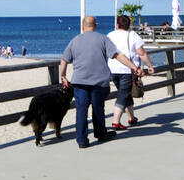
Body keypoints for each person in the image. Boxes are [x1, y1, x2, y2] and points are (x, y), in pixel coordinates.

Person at [60, 16, 141, 149]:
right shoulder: (103, 39)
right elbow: (117, 55)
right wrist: (134, 67)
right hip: (99, 82)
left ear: (82, 26)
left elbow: (63, 60)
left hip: (79, 82)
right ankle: (100, 134)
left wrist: (63, 76)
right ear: (95, 26)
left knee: (81, 110)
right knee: (98, 109)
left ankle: (82, 140)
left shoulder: (75, 40)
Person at [107, 14, 156, 130]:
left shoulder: (110, 35)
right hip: (128, 69)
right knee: (123, 94)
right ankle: (115, 122)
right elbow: (141, 53)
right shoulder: (133, 35)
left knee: (125, 93)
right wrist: (149, 65)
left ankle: (132, 118)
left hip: (112, 69)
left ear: (117, 24)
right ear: (129, 25)